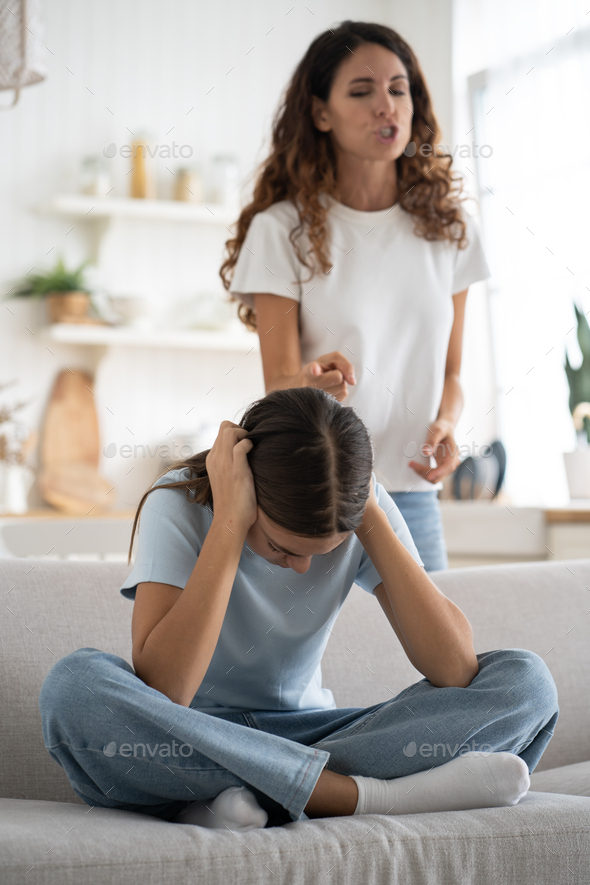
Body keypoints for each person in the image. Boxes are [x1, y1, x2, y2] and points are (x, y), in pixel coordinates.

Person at [39, 388, 558, 830]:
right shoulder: (177, 503)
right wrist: (229, 526)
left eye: (321, 552)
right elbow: (164, 692)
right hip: (188, 734)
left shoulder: (358, 507)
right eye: (282, 548)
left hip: (318, 736)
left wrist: (367, 507)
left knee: (525, 683)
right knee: (74, 689)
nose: (302, 569)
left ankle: (215, 801)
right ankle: (372, 798)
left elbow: (455, 668)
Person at [222, 20, 492, 572]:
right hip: (314, 496)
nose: (386, 106)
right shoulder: (282, 230)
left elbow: (453, 374)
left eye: (399, 89)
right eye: (362, 92)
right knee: (303, 662)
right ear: (321, 113)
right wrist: (314, 381)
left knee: (441, 659)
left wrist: (445, 423)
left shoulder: (450, 229)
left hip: (413, 496)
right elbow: (278, 386)